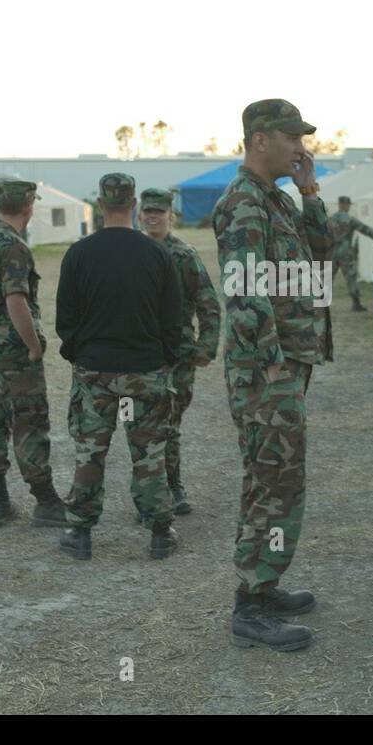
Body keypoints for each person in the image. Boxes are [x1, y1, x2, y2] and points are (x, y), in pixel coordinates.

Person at [212, 99, 332, 652]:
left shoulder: (278, 201)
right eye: (291, 137)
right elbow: (245, 294)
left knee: (276, 478)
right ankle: (252, 604)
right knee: (274, 481)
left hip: (288, 362)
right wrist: (271, 369)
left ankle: (264, 586)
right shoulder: (243, 203)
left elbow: (320, 265)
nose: (300, 147)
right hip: (268, 370)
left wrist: (310, 196)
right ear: (260, 139)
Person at [54, 173, 182, 561]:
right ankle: (160, 531)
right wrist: (162, 359)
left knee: (91, 452)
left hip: (95, 371)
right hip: (146, 370)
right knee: (149, 452)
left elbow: (66, 320)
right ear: (135, 205)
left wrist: (81, 355)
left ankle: (80, 533)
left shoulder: (79, 254)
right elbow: (173, 319)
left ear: (99, 203)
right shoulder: (158, 254)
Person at [0, 177, 68, 529]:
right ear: (28, 206)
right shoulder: (13, 248)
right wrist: (33, 345)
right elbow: (16, 300)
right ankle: (46, 501)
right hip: (13, 353)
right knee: (29, 422)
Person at [137, 188, 221, 516]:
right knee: (144, 424)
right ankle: (149, 490)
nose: (154, 217)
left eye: (160, 212)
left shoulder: (184, 255)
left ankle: (172, 484)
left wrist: (207, 345)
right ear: (140, 214)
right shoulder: (132, 253)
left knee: (170, 421)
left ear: (171, 215)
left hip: (178, 354)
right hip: (140, 353)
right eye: (149, 211)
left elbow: (208, 302)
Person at [327, 195, 373, 312]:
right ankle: (356, 304)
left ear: (339, 204)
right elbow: (365, 229)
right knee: (351, 277)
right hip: (346, 252)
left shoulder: (330, 220)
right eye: (348, 205)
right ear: (346, 205)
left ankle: (320, 306)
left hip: (332, 252)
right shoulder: (350, 220)